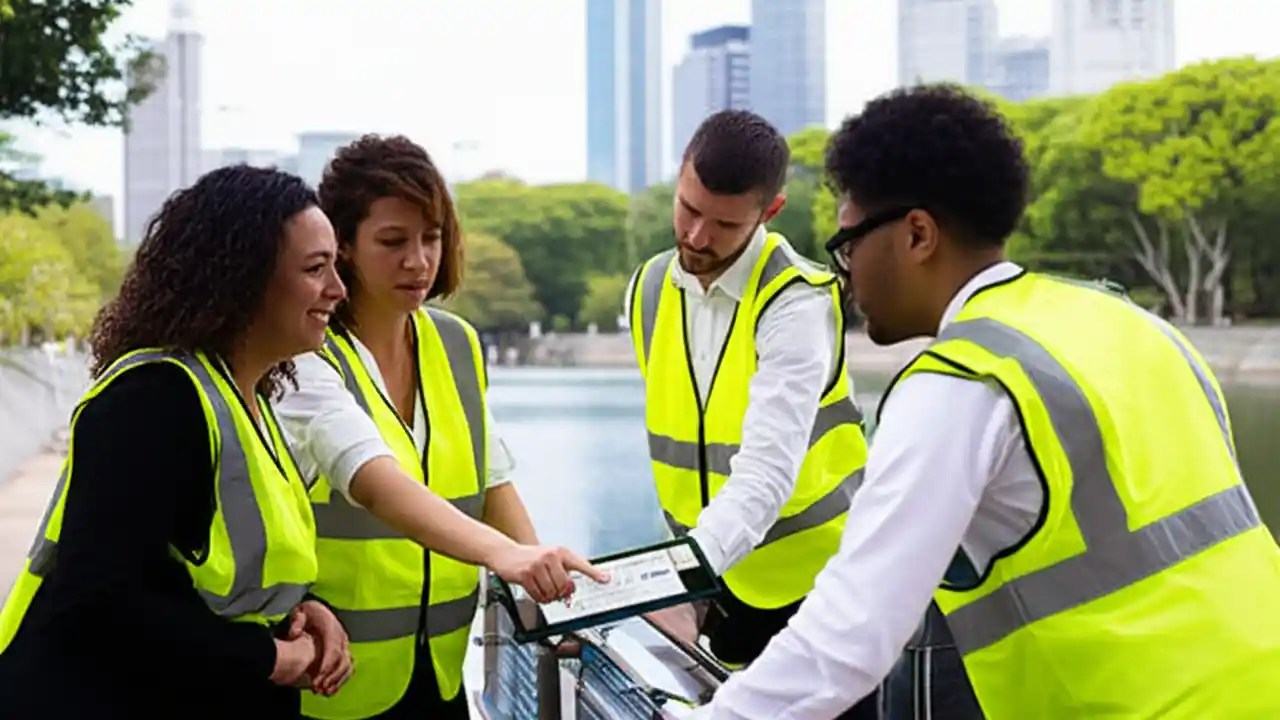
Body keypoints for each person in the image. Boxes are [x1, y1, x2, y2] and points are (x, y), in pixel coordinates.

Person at [695, 84, 1280, 719]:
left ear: (917, 235)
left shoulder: (961, 381)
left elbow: (849, 634)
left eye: (848, 245)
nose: (847, 273)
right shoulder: (1137, 325)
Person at [274, 134, 606, 720]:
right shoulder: (304, 358)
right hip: (330, 682)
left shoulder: (457, 344)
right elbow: (372, 478)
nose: (419, 260)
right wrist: (508, 557)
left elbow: (493, 482)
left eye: (431, 238)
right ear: (342, 246)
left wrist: (545, 594)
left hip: (442, 677)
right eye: (392, 241)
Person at [0, 165, 353, 717]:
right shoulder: (154, 401)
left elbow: (208, 578)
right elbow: (100, 599)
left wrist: (303, 610)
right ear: (245, 276)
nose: (338, 290)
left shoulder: (245, 400)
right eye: (316, 269)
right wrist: (270, 658)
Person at [624, 110, 874, 717]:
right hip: (719, 597)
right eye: (688, 208)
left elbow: (766, 475)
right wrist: (692, 586)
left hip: (824, 597)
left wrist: (677, 578)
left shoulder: (797, 304)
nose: (698, 236)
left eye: (725, 223)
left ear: (771, 211)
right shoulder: (649, 288)